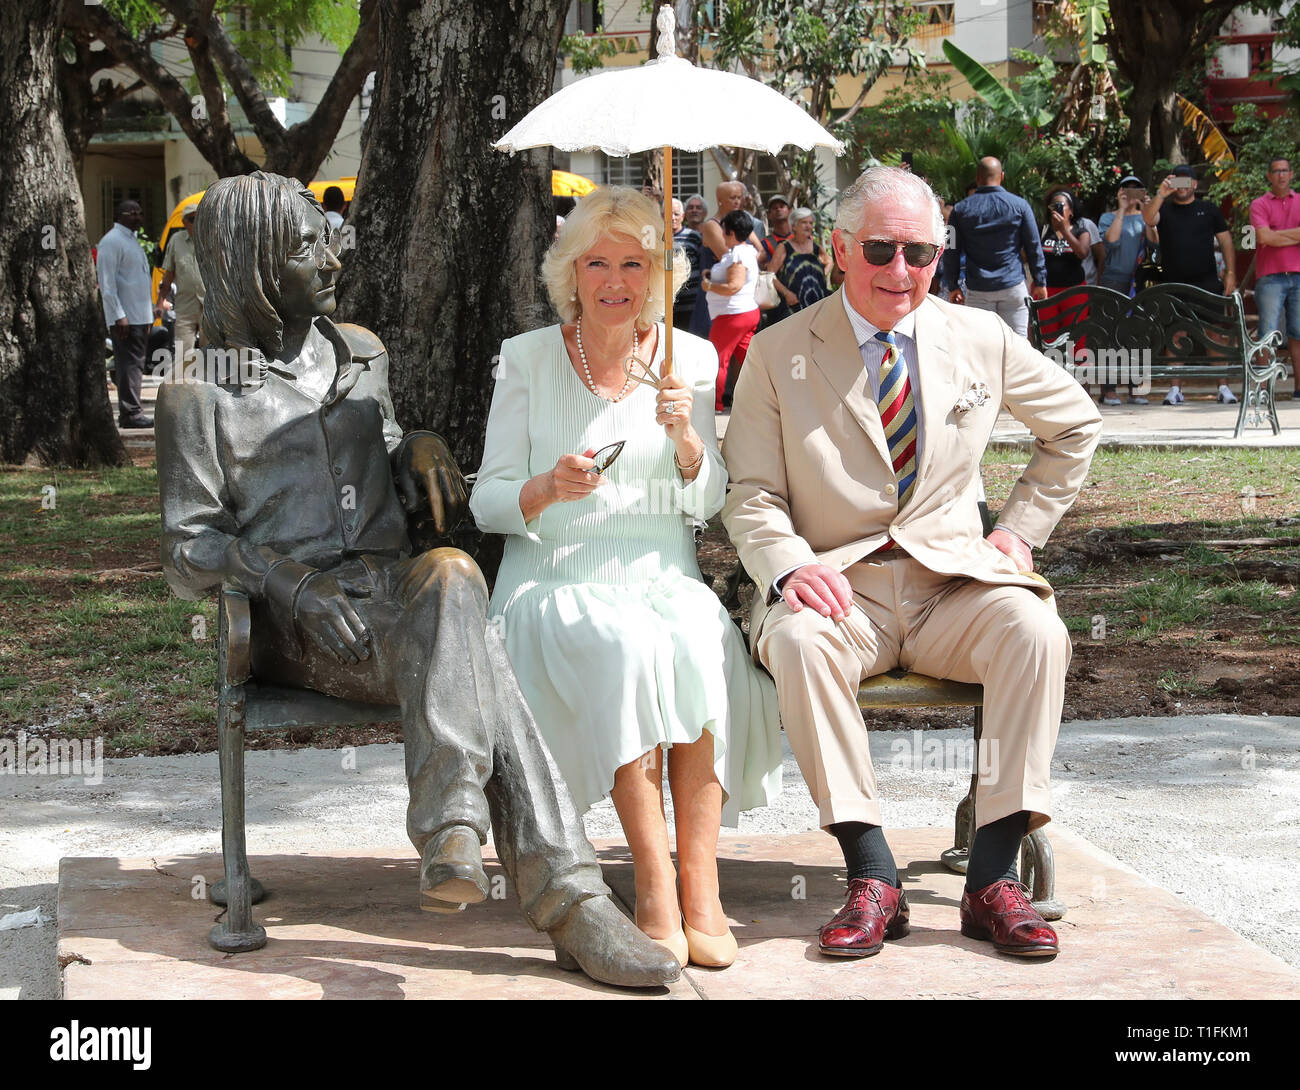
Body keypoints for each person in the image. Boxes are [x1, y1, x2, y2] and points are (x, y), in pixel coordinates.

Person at [155, 172, 680, 991]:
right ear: (253, 264)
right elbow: (190, 547)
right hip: (301, 628)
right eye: (306, 245)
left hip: (402, 604)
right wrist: (295, 586)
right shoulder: (199, 393)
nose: (333, 255)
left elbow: (391, 445)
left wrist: (421, 446)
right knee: (480, 654)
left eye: (329, 238)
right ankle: (569, 901)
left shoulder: (359, 354)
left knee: (451, 573)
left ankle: (457, 832)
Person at [722, 166, 1102, 962]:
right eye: (881, 249)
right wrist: (789, 566)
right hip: (838, 589)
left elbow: (1075, 426)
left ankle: (992, 880)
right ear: (839, 249)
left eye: (921, 253)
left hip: (952, 587)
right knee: (796, 642)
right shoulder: (779, 350)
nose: (901, 271)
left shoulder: (980, 337)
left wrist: (1021, 532)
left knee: (1036, 631)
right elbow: (750, 493)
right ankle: (871, 874)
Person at [469, 186, 782, 970]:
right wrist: (545, 489)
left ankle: (699, 883)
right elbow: (487, 500)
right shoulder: (529, 357)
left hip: (662, 572)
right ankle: (651, 883)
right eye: (596, 263)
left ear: (658, 275)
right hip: (556, 580)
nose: (615, 279)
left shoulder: (693, 358)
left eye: (634, 264)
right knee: (628, 647)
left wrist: (685, 442)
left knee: (705, 643)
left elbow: (708, 503)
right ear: (569, 275)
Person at [1142, 164, 1237, 404]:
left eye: (1186, 182)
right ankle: (1175, 389)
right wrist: (1161, 194)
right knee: (1176, 334)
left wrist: (1231, 273)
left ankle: (1223, 387)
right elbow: (1148, 217)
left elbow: (1226, 242)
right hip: (1173, 283)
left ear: (1194, 184)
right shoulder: (1164, 208)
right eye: (1177, 181)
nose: (1181, 186)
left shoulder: (1209, 209)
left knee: (1214, 333)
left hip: (1206, 282)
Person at [942, 157, 1049, 338]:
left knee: (981, 350)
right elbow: (1033, 246)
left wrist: (953, 285)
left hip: (978, 289)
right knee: (1017, 348)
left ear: (977, 178)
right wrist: (1040, 281)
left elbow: (951, 248)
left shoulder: (959, 210)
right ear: (1002, 176)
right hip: (1013, 285)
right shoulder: (1020, 206)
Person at [1098, 175, 1159, 404]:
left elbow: (1155, 243)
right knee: (1110, 334)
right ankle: (1109, 389)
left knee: (1137, 334)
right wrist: (1122, 210)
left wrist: (1148, 211)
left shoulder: (1146, 217)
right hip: (1114, 279)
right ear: (1120, 191)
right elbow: (1110, 242)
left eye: (1137, 187)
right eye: (1127, 188)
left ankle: (1136, 388)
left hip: (1139, 281)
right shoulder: (1108, 217)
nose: (1132, 191)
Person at [96, 200, 154, 428]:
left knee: (136, 365)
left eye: (140, 212)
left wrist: (148, 316)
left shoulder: (131, 240)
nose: (139, 217)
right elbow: (107, 284)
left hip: (139, 316)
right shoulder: (111, 241)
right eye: (133, 213)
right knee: (129, 365)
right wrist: (119, 315)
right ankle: (130, 414)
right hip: (125, 318)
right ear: (120, 215)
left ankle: (133, 410)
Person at [1249, 157, 1300, 400]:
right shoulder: (1259, 204)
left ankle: (1299, 389)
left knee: (1299, 333)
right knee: (1267, 333)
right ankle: (1263, 390)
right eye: (1276, 171)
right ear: (1269, 176)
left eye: (1285, 171)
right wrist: (1294, 235)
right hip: (1270, 277)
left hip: (1299, 275)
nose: (1281, 175)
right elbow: (1264, 238)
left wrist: (1275, 235)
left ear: (1291, 174)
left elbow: (1271, 236)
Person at [702, 208, 761, 410]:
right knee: (750, 361)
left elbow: (734, 286)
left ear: (732, 234)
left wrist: (709, 286)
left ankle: (715, 404)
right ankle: (763, 399)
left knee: (717, 360)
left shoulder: (738, 254)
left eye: (724, 231)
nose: (721, 235)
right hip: (743, 313)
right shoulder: (747, 251)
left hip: (732, 315)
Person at [690, 181, 761, 340]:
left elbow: (761, 251)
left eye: (739, 197)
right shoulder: (711, 225)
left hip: (742, 299)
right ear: (720, 200)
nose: (737, 201)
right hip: (717, 294)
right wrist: (749, 256)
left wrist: (745, 258)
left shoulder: (740, 224)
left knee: (742, 351)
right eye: (732, 197)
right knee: (715, 349)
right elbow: (727, 257)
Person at [155, 203, 205, 376]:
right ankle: (183, 390)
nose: (197, 222)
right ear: (184, 222)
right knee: (183, 353)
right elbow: (168, 275)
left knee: (212, 352)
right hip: (186, 305)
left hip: (211, 305)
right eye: (193, 219)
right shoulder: (176, 241)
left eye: (200, 218)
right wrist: (160, 302)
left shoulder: (213, 238)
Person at [769, 206, 832, 315]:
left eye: (810, 223)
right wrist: (787, 293)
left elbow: (829, 261)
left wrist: (822, 275)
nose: (808, 226)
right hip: (793, 307)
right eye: (804, 222)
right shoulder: (784, 247)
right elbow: (770, 275)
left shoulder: (816, 247)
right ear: (793, 226)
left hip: (817, 304)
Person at [671, 196, 703, 332]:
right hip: (667, 304)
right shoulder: (657, 237)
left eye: (676, 214)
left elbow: (703, 264)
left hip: (691, 303)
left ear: (683, 216)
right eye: (668, 214)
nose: (672, 218)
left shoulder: (694, 236)